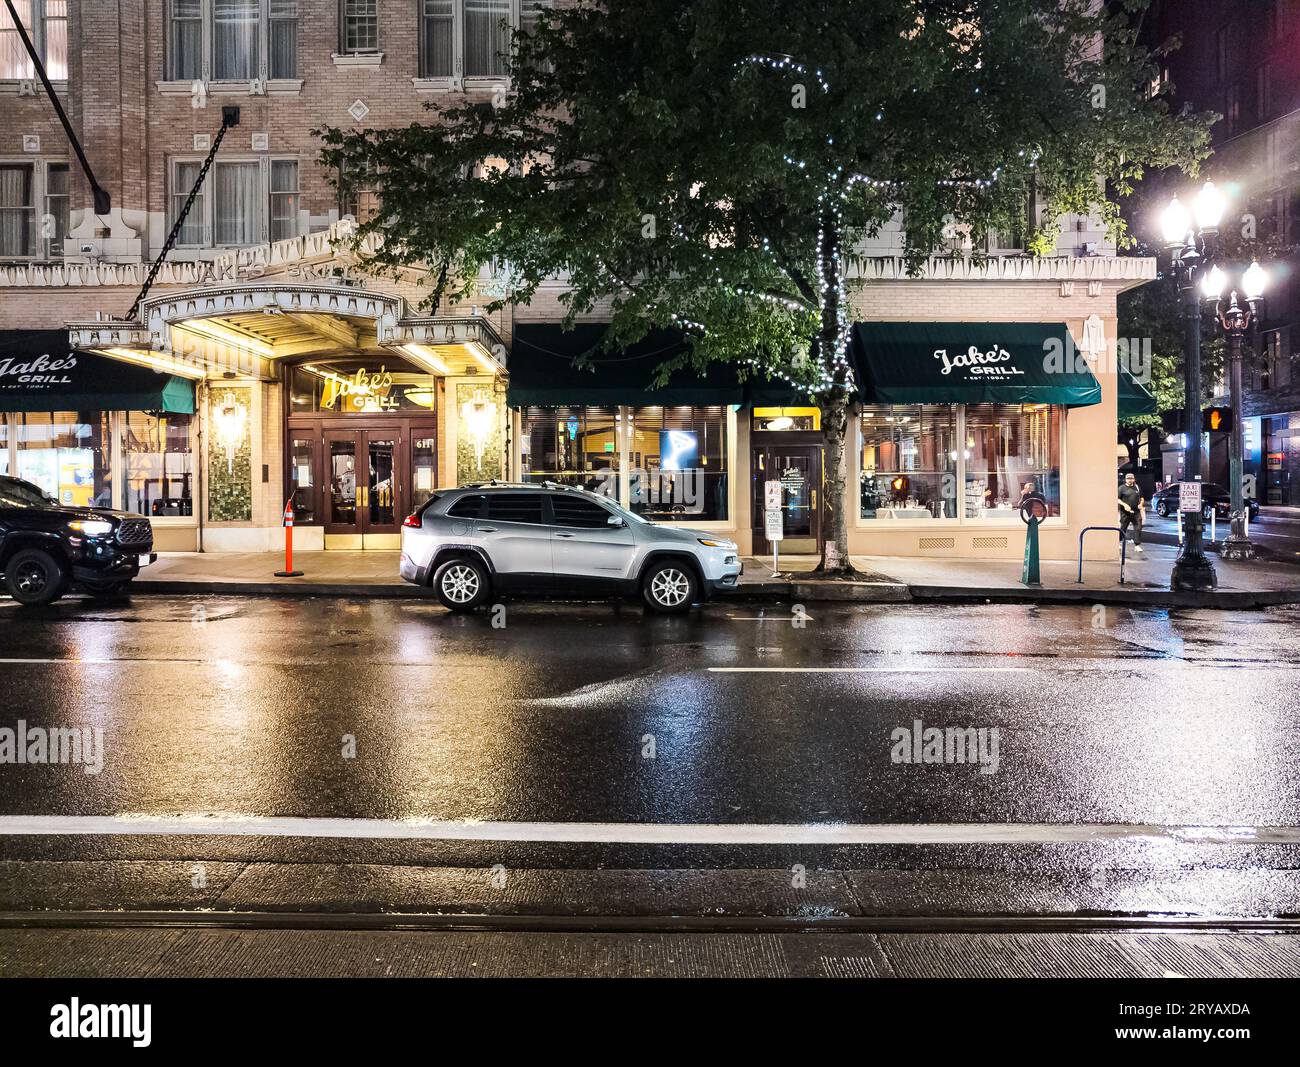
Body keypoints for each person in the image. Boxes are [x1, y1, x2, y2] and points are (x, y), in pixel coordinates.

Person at [1118, 472, 1145, 552]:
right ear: (1125, 480)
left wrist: (1141, 504)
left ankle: (1137, 545)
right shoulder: (1121, 488)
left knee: (1138, 527)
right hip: (1125, 512)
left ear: (1134, 479)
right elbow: (1117, 499)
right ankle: (1118, 542)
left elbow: (1142, 498)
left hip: (1136, 512)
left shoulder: (1137, 487)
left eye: (1131, 478)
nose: (1130, 480)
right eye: (1128, 479)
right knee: (1123, 528)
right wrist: (1124, 505)